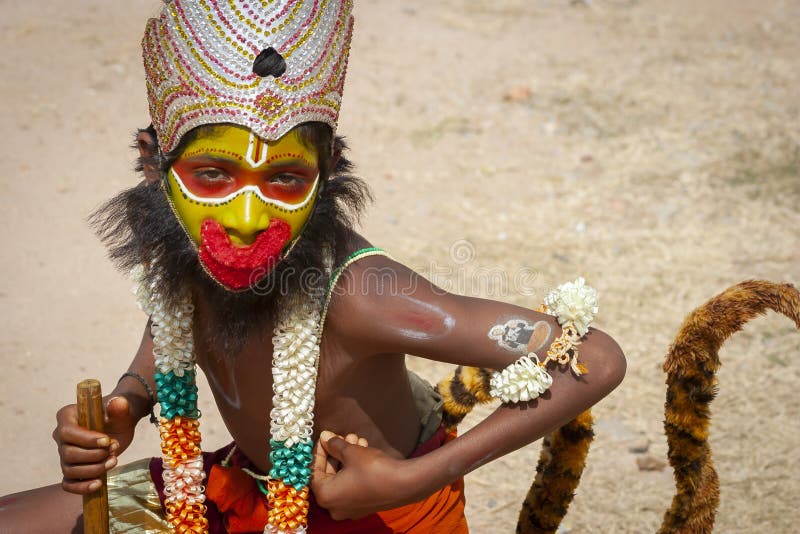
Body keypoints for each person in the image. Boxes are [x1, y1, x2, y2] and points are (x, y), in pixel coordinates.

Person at [0, 1, 626, 532]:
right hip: (242, 486)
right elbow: (177, 324)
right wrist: (129, 402)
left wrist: (414, 479)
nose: (248, 218)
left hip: (372, 513)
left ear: (327, 177)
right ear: (151, 164)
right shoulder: (190, 249)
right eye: (213, 174)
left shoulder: (361, 293)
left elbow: (594, 357)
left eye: (285, 178)